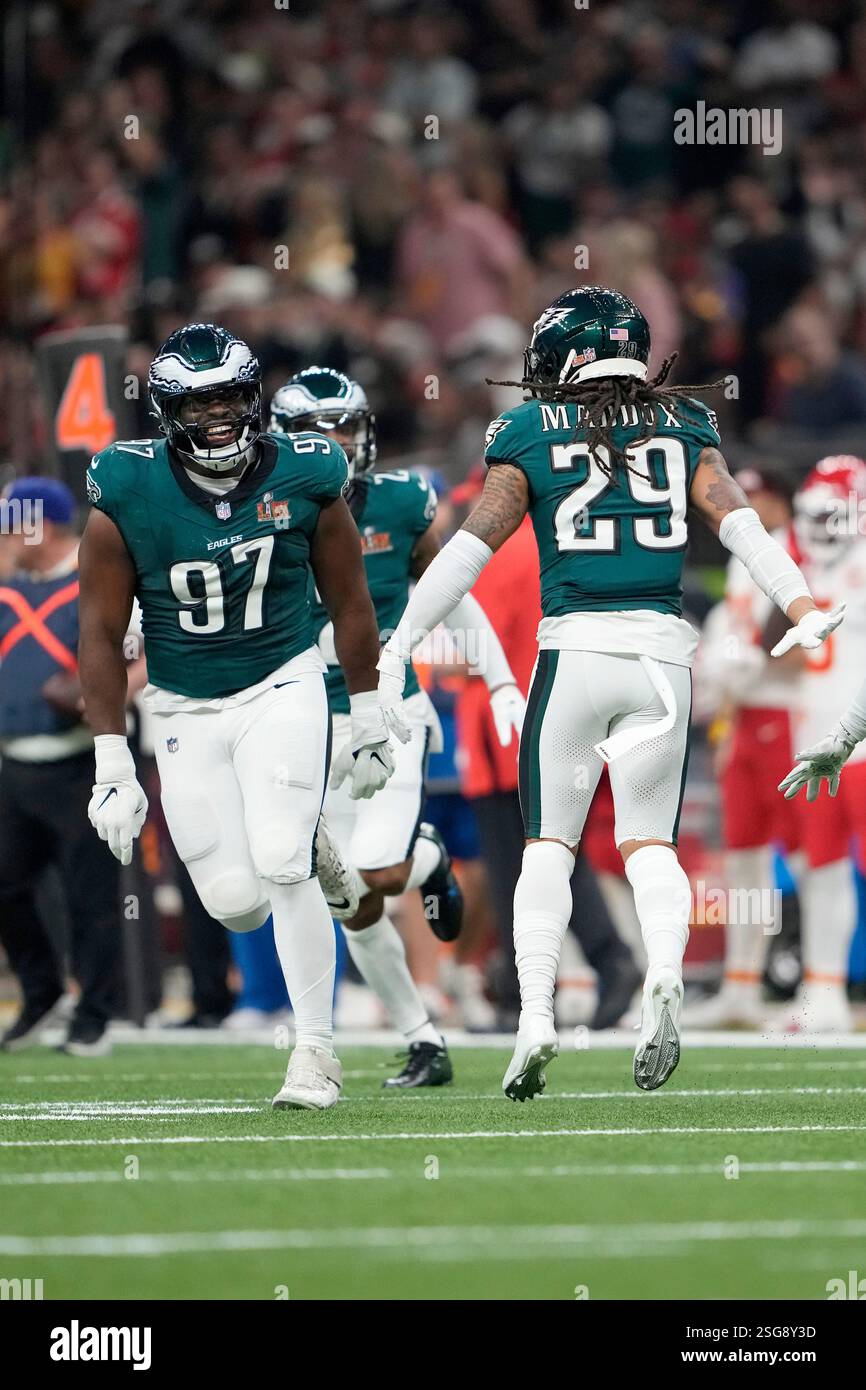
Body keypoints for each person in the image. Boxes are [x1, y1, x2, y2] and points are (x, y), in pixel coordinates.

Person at [377, 286, 842, 1096]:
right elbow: (736, 520)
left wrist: (403, 643)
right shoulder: (685, 424)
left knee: (547, 848)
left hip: (574, 653)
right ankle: (663, 971)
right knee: (648, 844)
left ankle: (535, 1019)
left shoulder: (526, 430)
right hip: (662, 656)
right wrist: (800, 605)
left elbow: (467, 551)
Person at [78, 323, 406, 1110]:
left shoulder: (307, 470)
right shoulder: (126, 486)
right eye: (198, 402)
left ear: (253, 395)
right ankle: (305, 840)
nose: (218, 414)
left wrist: (365, 713)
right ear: (167, 412)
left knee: (281, 859)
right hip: (184, 702)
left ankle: (316, 1055)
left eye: (229, 395)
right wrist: (111, 764)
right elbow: (96, 633)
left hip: (281, 681)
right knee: (234, 898)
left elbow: (349, 598)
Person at [269, 367, 525, 1084]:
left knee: (378, 874)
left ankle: (430, 860)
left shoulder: (401, 502)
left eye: (345, 429)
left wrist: (501, 677)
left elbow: (452, 594)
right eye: (316, 434)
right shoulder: (261, 511)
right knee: (342, 895)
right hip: (296, 720)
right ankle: (422, 1039)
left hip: (386, 711)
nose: (335, 446)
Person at [0, 478, 136, 1055]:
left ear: (41, 524)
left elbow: (138, 652)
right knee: (6, 885)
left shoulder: (93, 576)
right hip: (13, 760)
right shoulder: (9, 586)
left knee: (91, 896)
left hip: (81, 758)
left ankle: (94, 1014)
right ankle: (42, 992)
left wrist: (113, 698)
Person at [686, 468, 803, 1028]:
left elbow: (804, 646)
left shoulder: (796, 553)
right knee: (743, 858)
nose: (751, 505)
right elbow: (731, 639)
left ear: (780, 503)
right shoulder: (741, 560)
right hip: (740, 719)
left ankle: (821, 978)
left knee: (808, 856)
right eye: (745, 495)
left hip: (789, 714)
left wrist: (749, 663)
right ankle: (741, 983)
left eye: (760, 496)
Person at [777, 456, 866, 1031]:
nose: (819, 528)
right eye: (813, 515)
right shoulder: (797, 567)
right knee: (821, 870)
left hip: (860, 744)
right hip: (816, 743)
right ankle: (825, 990)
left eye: (831, 515)